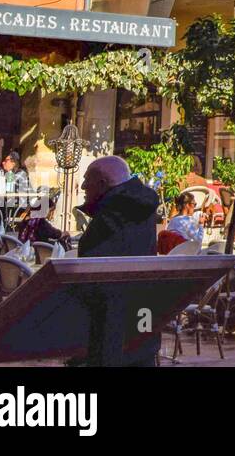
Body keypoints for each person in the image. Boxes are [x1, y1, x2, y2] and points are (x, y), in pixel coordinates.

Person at [76, 156, 163, 365]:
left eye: (87, 180)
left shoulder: (110, 216)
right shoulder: (142, 209)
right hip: (143, 309)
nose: (83, 186)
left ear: (102, 184)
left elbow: (92, 266)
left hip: (112, 320)